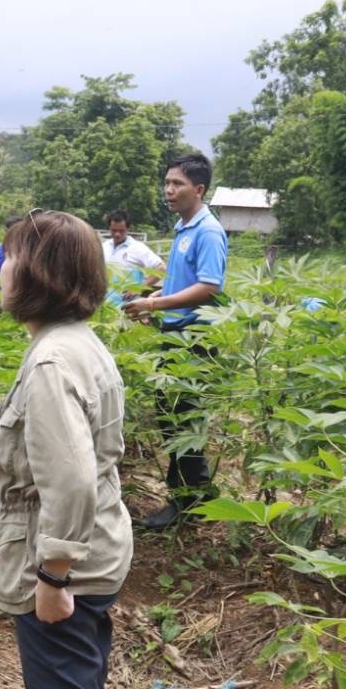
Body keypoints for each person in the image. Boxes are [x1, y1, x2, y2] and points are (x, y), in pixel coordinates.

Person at [0, 209, 132, 689]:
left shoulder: (50, 359)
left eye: (12, 257)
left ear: (39, 273)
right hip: (98, 553)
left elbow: (69, 482)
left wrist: (52, 579)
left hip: (68, 569)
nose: (1, 268)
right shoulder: (75, 341)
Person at [123, 154, 228, 531]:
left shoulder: (209, 231)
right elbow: (178, 273)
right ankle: (195, 493)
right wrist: (148, 289)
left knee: (183, 418)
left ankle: (186, 501)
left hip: (194, 339)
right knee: (171, 417)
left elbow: (209, 285)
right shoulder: (184, 227)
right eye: (167, 183)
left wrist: (154, 303)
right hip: (175, 333)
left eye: (177, 184)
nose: (168, 190)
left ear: (198, 189)